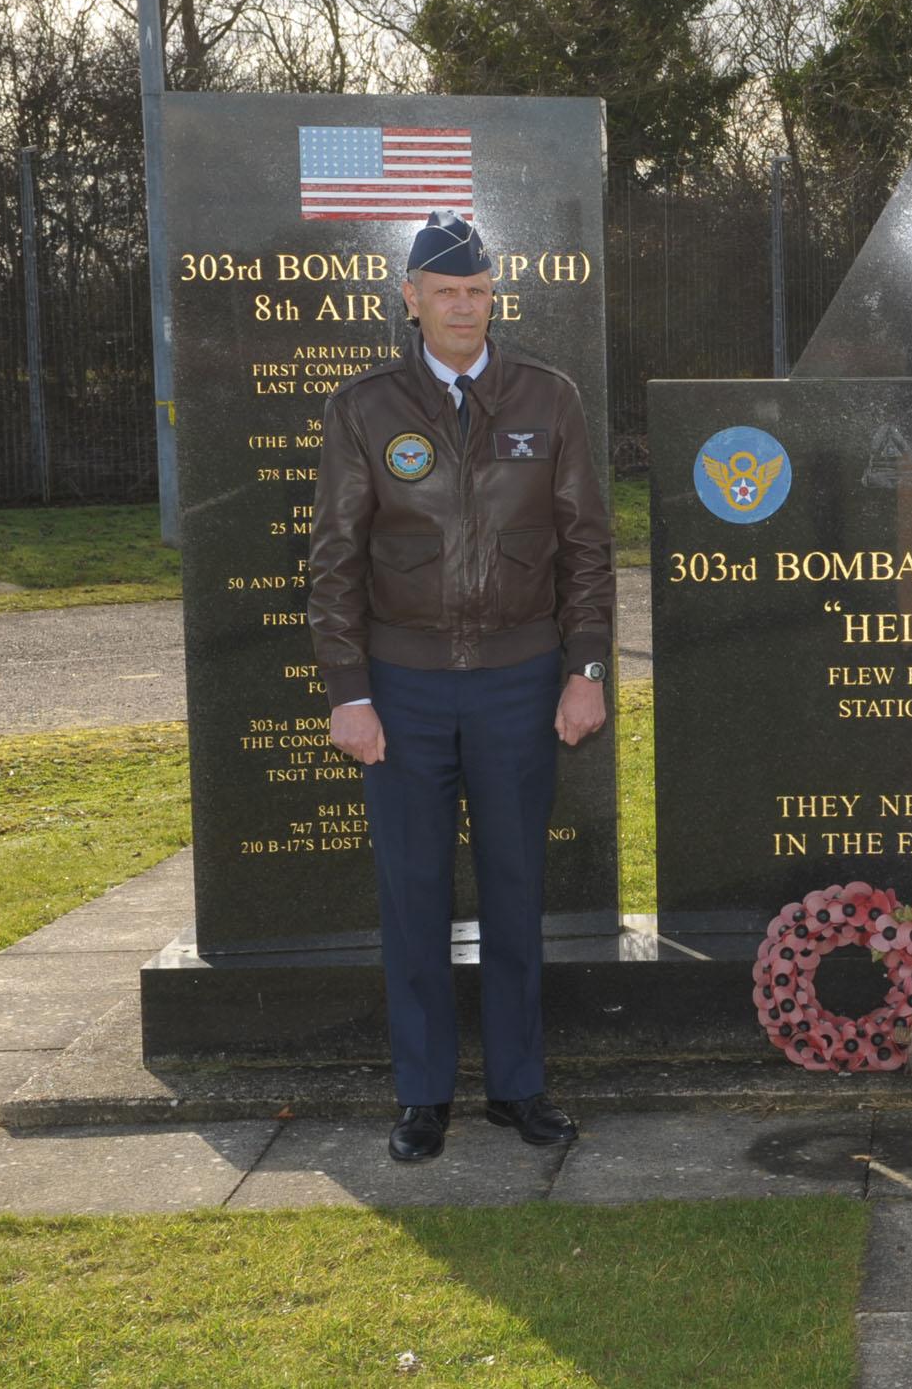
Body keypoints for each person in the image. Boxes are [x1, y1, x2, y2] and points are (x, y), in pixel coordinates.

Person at [307, 209, 614, 1162]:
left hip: (522, 685)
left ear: (493, 298)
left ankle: (519, 1087)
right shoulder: (366, 409)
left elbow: (587, 552)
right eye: (445, 292)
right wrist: (349, 691)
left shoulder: (547, 397)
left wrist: (587, 670)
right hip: (404, 689)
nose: (463, 308)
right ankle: (423, 1093)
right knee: (413, 893)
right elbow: (334, 564)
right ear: (410, 300)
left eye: (477, 292)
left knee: (519, 887)